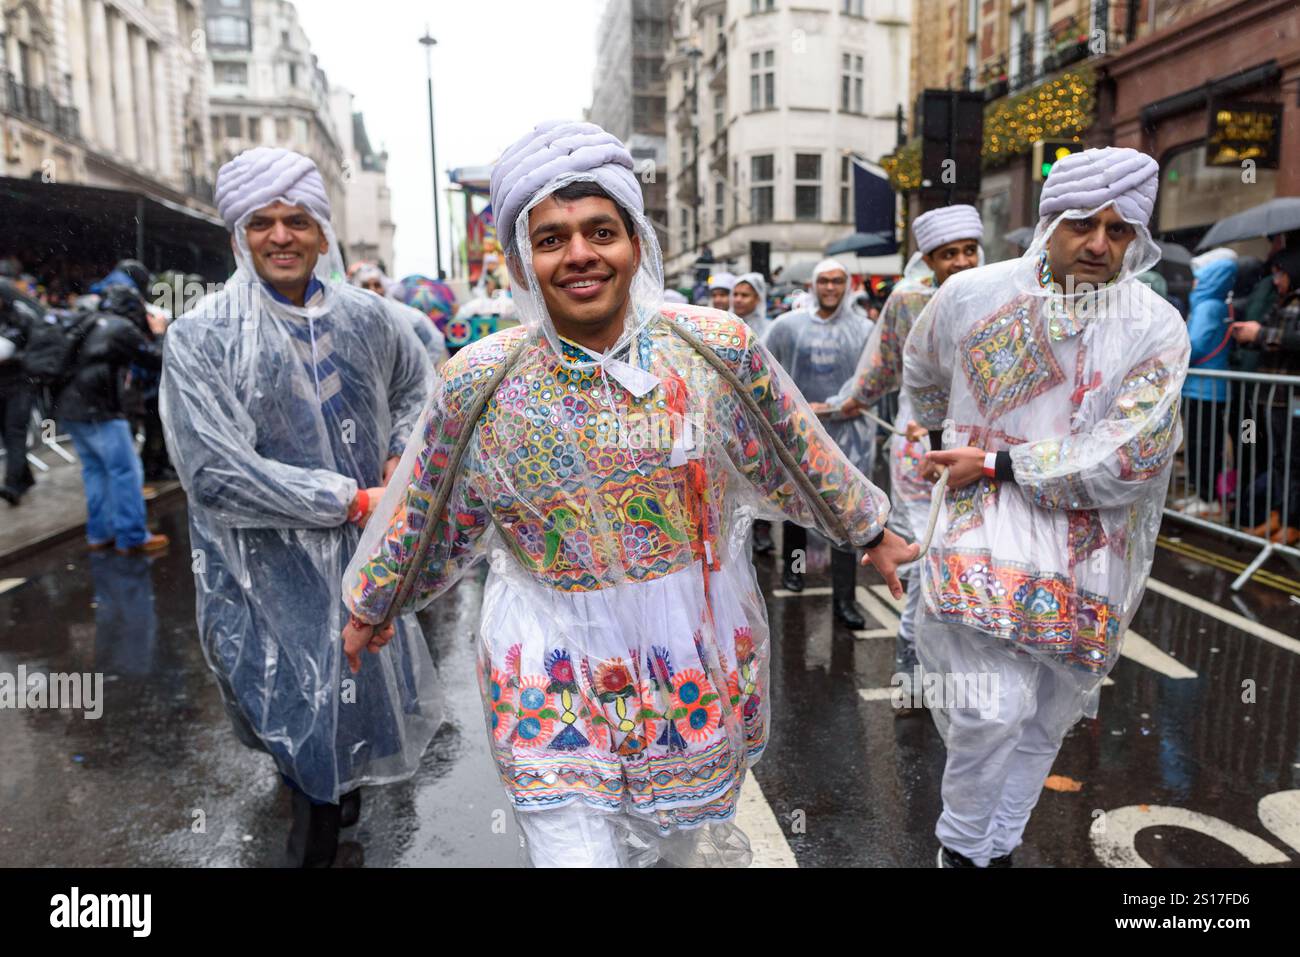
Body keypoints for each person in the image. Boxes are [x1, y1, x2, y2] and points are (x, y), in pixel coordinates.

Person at [340, 120, 916, 868]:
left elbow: (793, 452)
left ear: (635, 242)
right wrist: (372, 601)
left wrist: (870, 528)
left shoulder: (712, 349)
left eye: (599, 230)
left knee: (671, 850)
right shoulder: (479, 380)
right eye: (550, 239)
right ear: (521, 260)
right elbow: (428, 508)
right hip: (545, 653)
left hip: (687, 641)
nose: (579, 254)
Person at [903, 147, 1189, 868]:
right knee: (989, 710)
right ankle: (963, 847)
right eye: (1082, 224)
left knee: (1043, 718)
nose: (1098, 244)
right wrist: (943, 449)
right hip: (981, 533)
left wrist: (999, 461)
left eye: (1119, 231)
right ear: (1048, 222)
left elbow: (1133, 455)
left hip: (1089, 553)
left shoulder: (1155, 326)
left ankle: (991, 847)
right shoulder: (973, 294)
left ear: (1138, 239)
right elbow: (923, 369)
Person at [159, 147, 437, 867]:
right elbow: (215, 473)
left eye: (296, 219)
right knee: (294, 719)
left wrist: (398, 455)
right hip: (260, 575)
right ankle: (313, 834)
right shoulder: (204, 335)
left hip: (361, 567)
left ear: (322, 231)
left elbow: (420, 391)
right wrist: (346, 498)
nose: (280, 235)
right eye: (261, 222)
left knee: (357, 711)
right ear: (238, 234)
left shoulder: (372, 319)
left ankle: (335, 805)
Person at [829, 204, 983, 699]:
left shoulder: (1002, 296)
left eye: (968, 251)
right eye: (947, 253)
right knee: (921, 557)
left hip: (979, 452)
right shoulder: (907, 300)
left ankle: (961, 672)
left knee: (968, 557)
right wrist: (844, 405)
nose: (960, 261)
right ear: (928, 258)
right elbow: (878, 369)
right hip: (920, 450)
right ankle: (912, 676)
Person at [764, 259, 878, 627]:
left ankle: (844, 600)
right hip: (800, 434)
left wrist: (833, 407)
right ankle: (795, 570)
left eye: (837, 282)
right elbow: (764, 370)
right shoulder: (788, 327)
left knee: (848, 516)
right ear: (814, 285)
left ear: (847, 286)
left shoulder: (864, 330)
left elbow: (873, 382)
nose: (830, 288)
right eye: (824, 281)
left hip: (848, 436)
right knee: (798, 510)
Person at [52, 284, 167, 553]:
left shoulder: (87, 321)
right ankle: (132, 535)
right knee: (126, 471)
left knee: (95, 470)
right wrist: (160, 334)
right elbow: (156, 359)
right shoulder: (119, 327)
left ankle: (100, 533)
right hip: (100, 409)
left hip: (70, 408)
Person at [1234, 245, 1300, 544]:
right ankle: (1278, 515)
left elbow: (1290, 340)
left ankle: (1292, 522)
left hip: (1292, 400)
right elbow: (1271, 339)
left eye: (1281, 274)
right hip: (1271, 398)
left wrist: (1260, 334)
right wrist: (1247, 335)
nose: (1276, 280)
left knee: (1293, 462)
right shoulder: (1282, 300)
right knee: (1278, 460)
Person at [1175, 249, 1237, 517]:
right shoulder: (1215, 304)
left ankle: (1208, 496)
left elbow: (1195, 345)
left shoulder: (1208, 306)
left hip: (1204, 389)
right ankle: (1203, 494)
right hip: (1204, 388)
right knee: (1203, 443)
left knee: (1203, 445)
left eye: (1200, 278)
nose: (1194, 282)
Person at [349, 261, 450, 372]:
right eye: (366, 286)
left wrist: (422, 371)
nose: (372, 290)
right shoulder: (354, 322)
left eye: (377, 285)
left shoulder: (406, 315)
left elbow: (434, 342)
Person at [0, 278, 42, 505]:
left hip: (19, 385)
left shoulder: (23, 317)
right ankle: (24, 477)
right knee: (7, 436)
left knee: (15, 433)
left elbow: (36, 350)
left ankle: (12, 484)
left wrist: (13, 358)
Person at [731, 272, 771, 339]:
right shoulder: (725, 325)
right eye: (735, 294)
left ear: (757, 299)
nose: (738, 300)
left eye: (744, 295)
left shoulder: (768, 328)